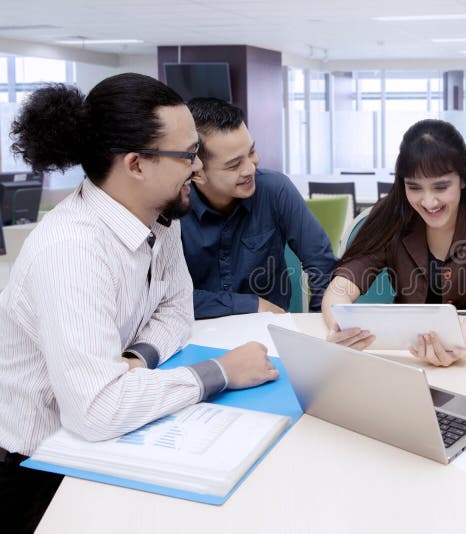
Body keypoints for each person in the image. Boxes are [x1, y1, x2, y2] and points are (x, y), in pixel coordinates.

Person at [0, 74, 278, 533]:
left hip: (97, 446)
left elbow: (176, 308)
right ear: (135, 165)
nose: (199, 169)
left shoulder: (159, 215)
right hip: (38, 468)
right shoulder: (73, 250)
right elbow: (97, 410)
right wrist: (222, 372)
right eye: (189, 155)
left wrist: (135, 358)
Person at [322, 119, 466, 367]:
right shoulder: (393, 214)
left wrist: (456, 343)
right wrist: (339, 327)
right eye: (414, 187)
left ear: (463, 179)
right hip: (404, 356)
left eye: (441, 187)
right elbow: (341, 286)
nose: (428, 202)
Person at [180, 97, 336, 319]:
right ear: (196, 172)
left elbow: (322, 265)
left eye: (251, 152)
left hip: (269, 331)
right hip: (195, 332)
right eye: (234, 165)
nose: (250, 168)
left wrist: (316, 326)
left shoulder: (275, 189)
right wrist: (247, 304)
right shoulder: (173, 209)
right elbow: (166, 298)